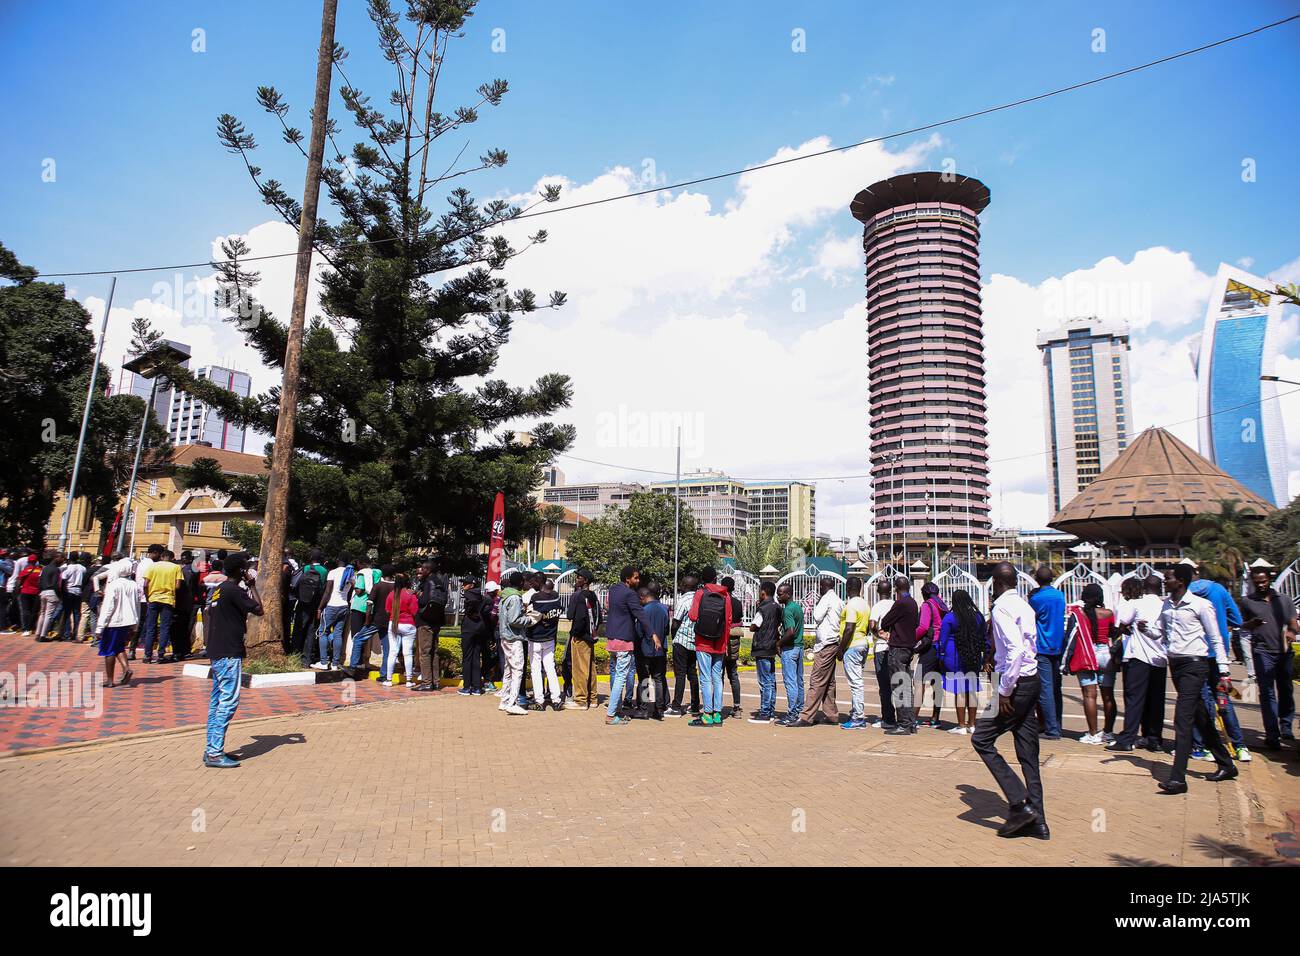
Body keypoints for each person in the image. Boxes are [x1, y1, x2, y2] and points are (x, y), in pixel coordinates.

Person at [973, 563, 1048, 840]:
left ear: (995, 583)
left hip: (1015, 686)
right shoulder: (1025, 605)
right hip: (1031, 680)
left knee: (981, 739)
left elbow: (1015, 650)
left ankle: (1021, 804)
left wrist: (1004, 691)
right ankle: (1038, 822)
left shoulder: (1002, 607)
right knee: (1028, 752)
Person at [1155, 564, 1236, 794]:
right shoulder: (1167, 606)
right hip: (1176, 664)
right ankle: (1226, 764)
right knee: (1200, 716)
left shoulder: (1201, 605)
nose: (1164, 581)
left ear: (1180, 581)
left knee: (1183, 719)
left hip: (1195, 665)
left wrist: (1224, 670)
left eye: (1167, 578)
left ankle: (1178, 778)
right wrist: (1143, 630)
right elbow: (1160, 633)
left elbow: (1216, 638)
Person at [202, 554, 264, 769]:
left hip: (216, 650)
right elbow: (259, 609)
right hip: (229, 652)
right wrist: (253, 586)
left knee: (216, 702)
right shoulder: (235, 591)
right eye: (247, 568)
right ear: (241, 571)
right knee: (228, 702)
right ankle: (214, 753)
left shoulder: (217, 589)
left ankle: (211, 748)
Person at [1186, 566, 1249, 762]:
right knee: (1223, 700)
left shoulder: (1184, 594)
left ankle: (1201, 746)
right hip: (1219, 654)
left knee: (1201, 701)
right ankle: (1240, 746)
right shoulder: (1219, 590)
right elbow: (1237, 619)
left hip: (1196, 654)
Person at [1237, 566, 1298, 752]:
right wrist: (1251, 624)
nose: (1261, 585)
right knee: (1267, 692)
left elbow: (1293, 622)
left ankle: (1286, 726)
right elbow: (1242, 625)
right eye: (1257, 583)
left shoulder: (1284, 600)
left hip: (1283, 652)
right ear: (1253, 582)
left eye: (1264, 581)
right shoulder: (1248, 602)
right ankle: (1272, 734)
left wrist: (1291, 632)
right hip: (1262, 651)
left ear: (1269, 580)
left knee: (1286, 689)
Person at [1108, 575, 1170, 753]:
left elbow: (1121, 624)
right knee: (1156, 701)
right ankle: (1154, 739)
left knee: (1134, 699)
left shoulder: (1137, 603)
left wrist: (1126, 628)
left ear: (1144, 587)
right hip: (1160, 658)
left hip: (1139, 657)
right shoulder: (1164, 605)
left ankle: (1127, 739)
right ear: (1160, 588)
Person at [1060, 582, 1117, 745]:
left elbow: (1069, 636)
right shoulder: (1108, 613)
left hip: (1086, 655)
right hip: (1105, 654)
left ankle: (1092, 733)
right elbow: (1113, 632)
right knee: (1108, 696)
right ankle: (1108, 733)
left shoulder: (1078, 614)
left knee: (1089, 695)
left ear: (1084, 598)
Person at [786, 577, 844, 728]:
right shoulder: (838, 600)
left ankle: (806, 717)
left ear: (823, 587)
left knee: (816, 681)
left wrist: (819, 603)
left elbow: (817, 616)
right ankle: (831, 715)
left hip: (825, 645)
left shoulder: (826, 599)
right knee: (829, 682)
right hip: (833, 643)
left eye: (819, 586)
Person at [607, 565, 657, 726]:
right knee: (621, 677)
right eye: (635, 577)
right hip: (624, 639)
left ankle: (617, 710)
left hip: (612, 638)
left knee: (616, 675)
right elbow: (640, 615)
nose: (638, 580)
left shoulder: (614, 590)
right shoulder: (630, 594)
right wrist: (653, 634)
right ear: (627, 579)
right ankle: (610, 715)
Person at [938, 588, 987, 735]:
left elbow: (943, 640)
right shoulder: (978, 617)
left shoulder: (950, 618)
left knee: (960, 691)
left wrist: (940, 657)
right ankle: (972, 724)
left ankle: (961, 725)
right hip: (973, 655)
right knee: (971, 690)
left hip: (955, 656)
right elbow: (984, 637)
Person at [1027, 566, 1066, 740]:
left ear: (1037, 579)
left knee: (1045, 689)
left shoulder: (1036, 599)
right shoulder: (1060, 596)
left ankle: (1052, 730)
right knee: (1056, 688)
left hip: (1042, 646)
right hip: (1058, 645)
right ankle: (1057, 724)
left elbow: (1030, 620)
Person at [880, 576, 920, 736]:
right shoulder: (912, 602)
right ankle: (910, 723)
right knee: (906, 687)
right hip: (908, 647)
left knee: (899, 687)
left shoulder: (900, 603)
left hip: (898, 648)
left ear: (896, 588)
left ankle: (904, 724)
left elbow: (885, 622)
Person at [93, 561, 138, 687]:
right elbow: (136, 605)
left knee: (108, 651)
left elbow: (108, 607)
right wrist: (135, 625)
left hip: (113, 622)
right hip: (127, 621)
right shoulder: (133, 585)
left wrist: (100, 627)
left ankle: (110, 679)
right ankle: (126, 668)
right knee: (119, 647)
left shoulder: (114, 585)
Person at [837, 577, 872, 730]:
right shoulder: (865, 604)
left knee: (855, 683)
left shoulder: (851, 605)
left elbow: (849, 628)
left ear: (848, 587)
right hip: (863, 643)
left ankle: (858, 717)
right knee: (857, 681)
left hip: (853, 646)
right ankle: (855, 712)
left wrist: (841, 649)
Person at [565, 570, 602, 710]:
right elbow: (598, 617)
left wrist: (576, 633)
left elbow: (572, 616)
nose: (576, 579)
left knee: (580, 669)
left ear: (585, 580)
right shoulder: (593, 596)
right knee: (590, 668)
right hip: (591, 636)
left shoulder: (578, 596)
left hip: (580, 637)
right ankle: (592, 698)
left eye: (579, 577)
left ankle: (580, 700)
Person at [914, 582, 949, 728]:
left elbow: (922, 627)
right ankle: (935, 717)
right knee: (937, 684)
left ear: (925, 594)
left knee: (919, 681)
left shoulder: (927, 605)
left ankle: (913, 717)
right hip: (941, 647)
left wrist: (912, 638)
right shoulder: (942, 605)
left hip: (930, 647)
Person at [527, 576, 564, 711]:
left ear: (540, 583)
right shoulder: (556, 597)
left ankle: (539, 701)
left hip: (535, 638)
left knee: (536, 670)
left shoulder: (536, 598)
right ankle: (556, 700)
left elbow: (530, 615)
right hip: (550, 638)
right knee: (550, 669)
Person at [667, 573, 701, 718]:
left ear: (686, 586)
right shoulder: (700, 599)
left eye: (681, 584)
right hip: (695, 642)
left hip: (681, 641)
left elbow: (675, 622)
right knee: (692, 673)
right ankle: (694, 705)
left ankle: (676, 707)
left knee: (680, 674)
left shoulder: (683, 600)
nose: (680, 586)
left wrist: (673, 638)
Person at [496, 571, 530, 715]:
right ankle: (513, 702)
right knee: (517, 670)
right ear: (520, 583)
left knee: (509, 670)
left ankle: (504, 701)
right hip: (514, 637)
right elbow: (514, 620)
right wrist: (529, 620)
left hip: (505, 636)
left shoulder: (505, 595)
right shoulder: (515, 598)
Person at [748, 581, 782, 723]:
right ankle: (771, 710)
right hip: (772, 646)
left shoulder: (763, 608)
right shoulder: (777, 607)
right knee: (771, 680)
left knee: (764, 682)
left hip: (762, 647)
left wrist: (757, 610)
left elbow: (754, 626)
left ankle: (765, 712)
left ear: (763, 593)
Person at [414, 557, 449, 692]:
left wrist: (418, 594)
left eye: (423, 569)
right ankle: (435, 681)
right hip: (437, 620)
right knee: (434, 652)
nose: (421, 571)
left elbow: (423, 601)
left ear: (428, 570)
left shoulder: (428, 582)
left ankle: (426, 682)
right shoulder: (440, 581)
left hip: (425, 621)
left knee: (424, 652)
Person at [636, 583, 671, 719]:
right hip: (660, 650)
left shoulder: (643, 611)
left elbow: (639, 631)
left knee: (644, 679)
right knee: (658, 680)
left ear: (643, 597)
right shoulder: (664, 609)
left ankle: (644, 709)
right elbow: (666, 630)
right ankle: (659, 709)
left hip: (645, 650)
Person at [353, 564, 395, 677]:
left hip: (377, 620)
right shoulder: (396, 587)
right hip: (389, 621)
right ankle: (384, 674)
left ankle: (353, 667)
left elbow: (369, 604)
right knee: (387, 648)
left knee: (357, 639)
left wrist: (367, 620)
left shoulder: (378, 586)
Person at [314, 554, 354, 671]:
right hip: (344, 606)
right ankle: (335, 664)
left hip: (331, 606)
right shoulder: (351, 574)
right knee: (338, 634)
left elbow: (327, 592)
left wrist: (320, 607)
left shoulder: (333, 572)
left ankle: (324, 662)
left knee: (323, 632)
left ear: (338, 561)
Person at [141, 549, 182, 662]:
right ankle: (160, 655)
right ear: (172, 558)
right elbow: (178, 586)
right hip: (168, 600)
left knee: (151, 628)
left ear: (162, 556)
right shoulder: (176, 568)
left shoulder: (153, 566)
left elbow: (145, 584)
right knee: (165, 628)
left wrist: (148, 597)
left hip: (153, 598)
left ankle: (147, 655)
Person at [775, 582, 805, 726]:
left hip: (790, 649)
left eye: (780, 594)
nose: (778, 596)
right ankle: (799, 710)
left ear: (788, 594)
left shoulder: (787, 610)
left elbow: (791, 631)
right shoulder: (797, 607)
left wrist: (779, 643)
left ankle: (792, 714)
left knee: (790, 682)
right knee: (799, 682)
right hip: (799, 648)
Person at [383, 572, 419, 689]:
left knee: (392, 652)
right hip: (408, 625)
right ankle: (409, 680)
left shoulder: (391, 595)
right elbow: (415, 611)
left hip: (393, 624)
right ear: (407, 582)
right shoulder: (411, 595)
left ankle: (388, 680)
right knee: (408, 653)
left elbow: (388, 610)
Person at [868, 579, 896, 729]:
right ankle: (901, 717)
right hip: (895, 647)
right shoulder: (895, 605)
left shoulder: (877, 606)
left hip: (881, 648)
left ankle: (888, 718)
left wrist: (881, 635)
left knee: (884, 686)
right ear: (891, 591)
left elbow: (872, 625)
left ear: (878, 592)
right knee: (896, 683)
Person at [292, 550, 328, 664]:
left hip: (303, 601)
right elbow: (324, 588)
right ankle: (306, 659)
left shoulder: (305, 568)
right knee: (311, 630)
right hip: (316, 603)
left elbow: (296, 583)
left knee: (298, 628)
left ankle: (295, 655)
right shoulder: (324, 571)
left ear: (311, 557)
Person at [720, 576, 745, 719]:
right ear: (734, 588)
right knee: (733, 673)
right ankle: (736, 707)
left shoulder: (719, 600)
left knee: (718, 674)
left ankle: (717, 705)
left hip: (720, 639)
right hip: (734, 638)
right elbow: (739, 618)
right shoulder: (737, 603)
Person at [458, 577, 486, 696]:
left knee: (467, 657)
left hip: (469, 628)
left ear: (471, 585)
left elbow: (471, 606)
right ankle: (477, 687)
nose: (463, 585)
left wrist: (470, 613)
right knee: (476, 657)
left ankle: (466, 687)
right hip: (479, 628)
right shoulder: (481, 595)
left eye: (465, 583)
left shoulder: (469, 595)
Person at [34, 551, 66, 641]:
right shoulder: (56, 570)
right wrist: (59, 595)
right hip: (52, 592)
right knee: (48, 614)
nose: (63, 560)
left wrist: (41, 591)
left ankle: (38, 633)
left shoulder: (45, 568)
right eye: (62, 558)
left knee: (42, 613)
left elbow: (39, 582)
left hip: (43, 592)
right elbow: (56, 584)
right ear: (56, 558)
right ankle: (43, 635)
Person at [57, 551, 86, 642]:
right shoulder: (82, 568)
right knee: (77, 613)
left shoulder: (67, 568)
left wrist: (62, 592)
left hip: (68, 591)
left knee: (67, 614)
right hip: (78, 591)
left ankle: (67, 634)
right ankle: (76, 633)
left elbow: (63, 581)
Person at [17, 552, 42, 636]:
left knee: (25, 610)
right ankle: (32, 627)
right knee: (34, 611)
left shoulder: (25, 570)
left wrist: (17, 591)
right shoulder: (40, 570)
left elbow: (19, 581)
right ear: (36, 561)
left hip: (25, 592)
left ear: (28, 561)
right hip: (36, 593)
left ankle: (25, 629)